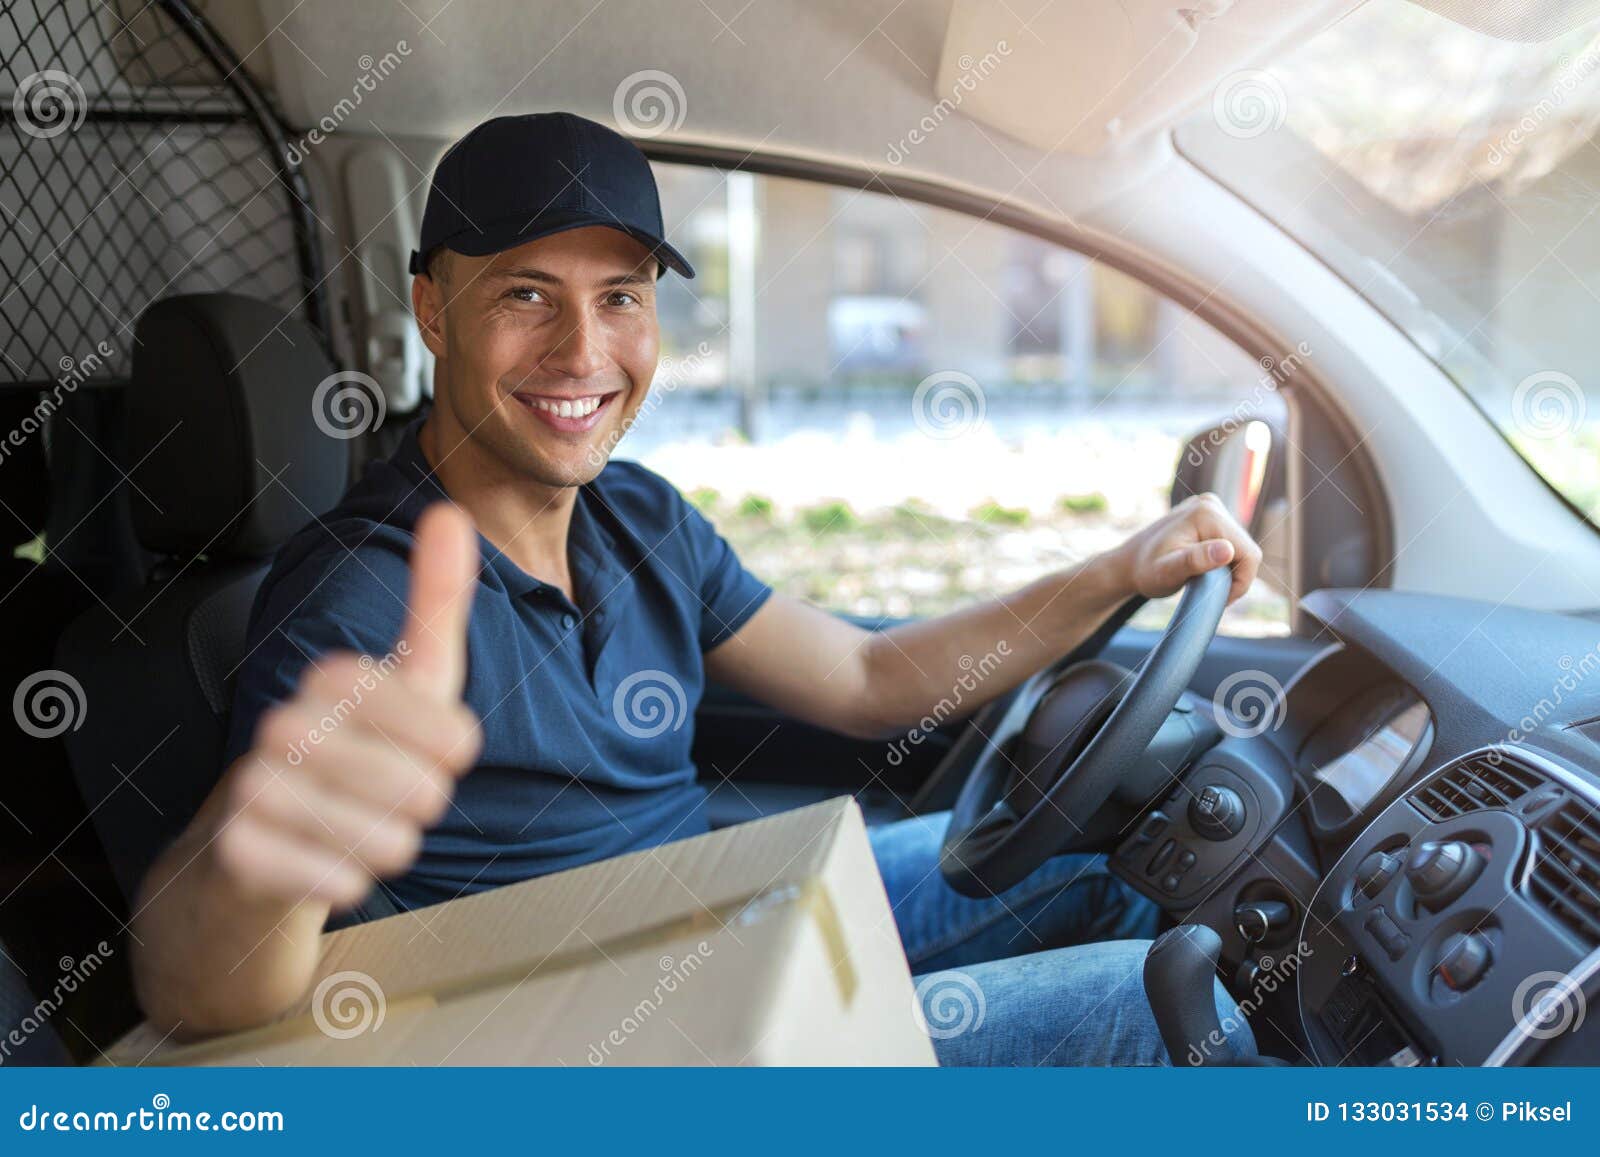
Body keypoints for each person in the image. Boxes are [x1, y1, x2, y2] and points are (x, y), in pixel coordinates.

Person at [130, 112, 1261, 1065]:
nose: (582, 350)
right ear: (432, 309)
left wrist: (1122, 569)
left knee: (1109, 863)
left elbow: (870, 678)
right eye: (526, 294)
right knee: (1164, 1002)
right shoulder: (364, 595)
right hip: (638, 1049)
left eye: (618, 297)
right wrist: (254, 861)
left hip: (731, 906)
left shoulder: (640, 517)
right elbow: (200, 987)